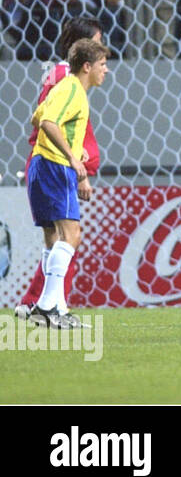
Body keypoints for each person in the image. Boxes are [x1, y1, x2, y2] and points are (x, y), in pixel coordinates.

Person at [13, 19, 102, 323]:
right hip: (55, 163)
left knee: (56, 237)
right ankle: (46, 305)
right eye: (98, 44)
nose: (104, 56)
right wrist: (77, 164)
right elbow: (48, 121)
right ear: (83, 52)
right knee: (69, 236)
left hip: (47, 161)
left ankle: (47, 305)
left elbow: (39, 116)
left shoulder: (58, 75)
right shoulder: (68, 81)